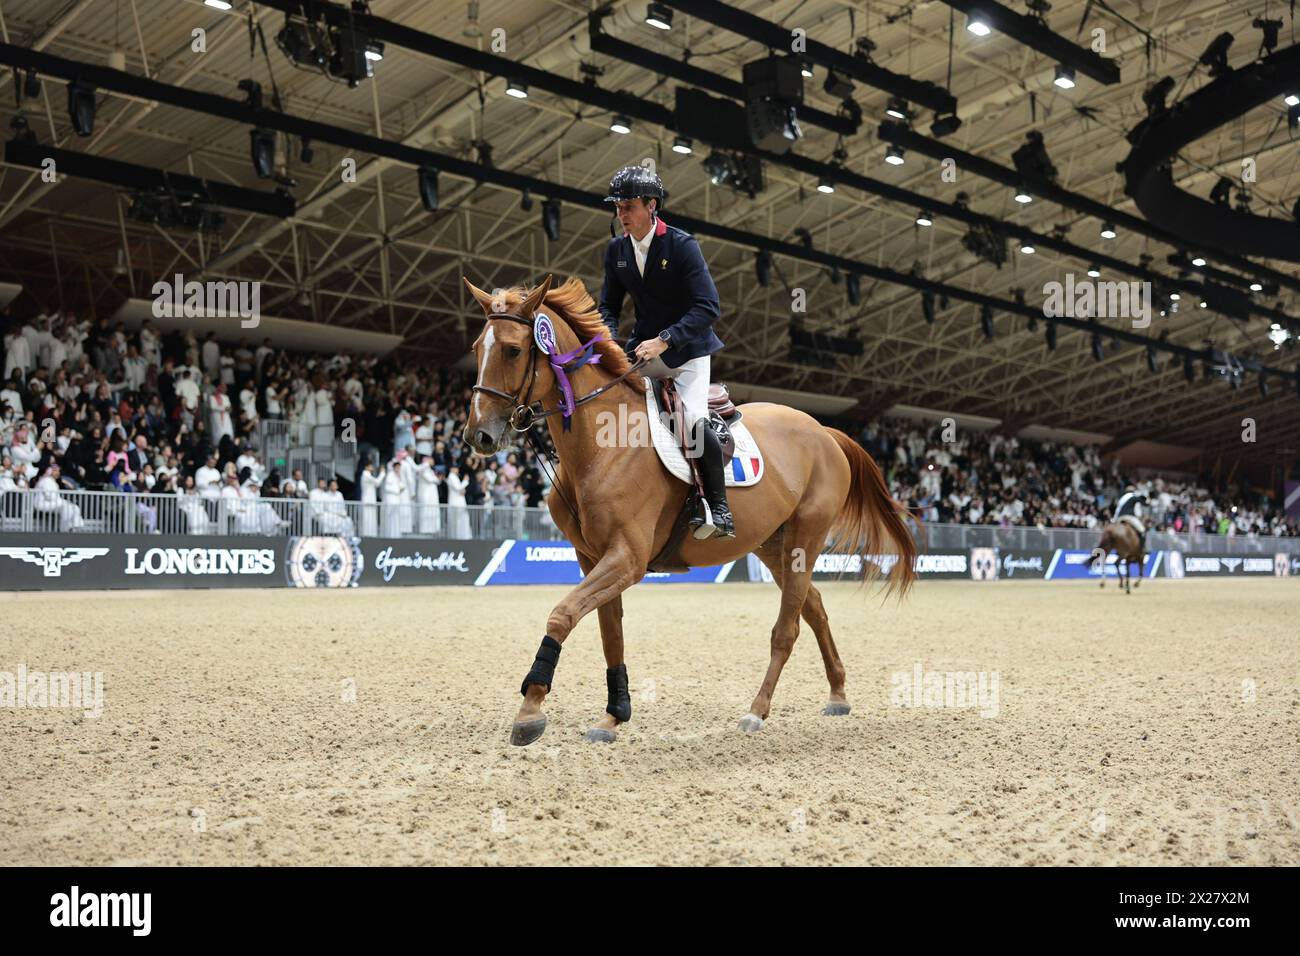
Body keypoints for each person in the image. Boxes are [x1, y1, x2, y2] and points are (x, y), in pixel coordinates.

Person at [596, 164, 732, 538]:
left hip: (687, 352)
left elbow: (708, 307)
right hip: (643, 351)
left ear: (651, 205)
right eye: (618, 207)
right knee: (616, 413)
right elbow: (608, 306)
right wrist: (607, 340)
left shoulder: (682, 245)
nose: (621, 214)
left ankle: (718, 509)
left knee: (690, 422)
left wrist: (666, 339)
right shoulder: (616, 251)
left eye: (628, 206)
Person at [415, 453, 442, 535]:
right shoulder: (423, 470)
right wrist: (436, 478)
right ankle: (425, 529)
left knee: (433, 510)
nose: (433, 461)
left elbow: (437, 481)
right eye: (431, 459)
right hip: (426, 494)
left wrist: (437, 478)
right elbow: (430, 479)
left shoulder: (430, 470)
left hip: (433, 494)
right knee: (426, 510)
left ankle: (433, 529)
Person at [446, 463, 470, 539]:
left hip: (459, 503)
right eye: (456, 468)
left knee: (461, 522)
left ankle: (461, 536)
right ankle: (456, 537)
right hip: (455, 504)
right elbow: (458, 487)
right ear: (451, 469)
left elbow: (459, 489)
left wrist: (462, 489)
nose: (457, 470)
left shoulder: (455, 477)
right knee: (456, 522)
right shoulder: (451, 476)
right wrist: (465, 481)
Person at [360, 460, 382, 536]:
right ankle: (367, 534)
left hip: (371, 501)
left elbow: (376, 484)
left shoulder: (368, 475)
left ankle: (372, 534)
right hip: (367, 501)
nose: (372, 467)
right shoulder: (366, 474)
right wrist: (382, 473)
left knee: (371, 519)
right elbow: (377, 482)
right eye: (370, 466)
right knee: (367, 519)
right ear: (366, 467)